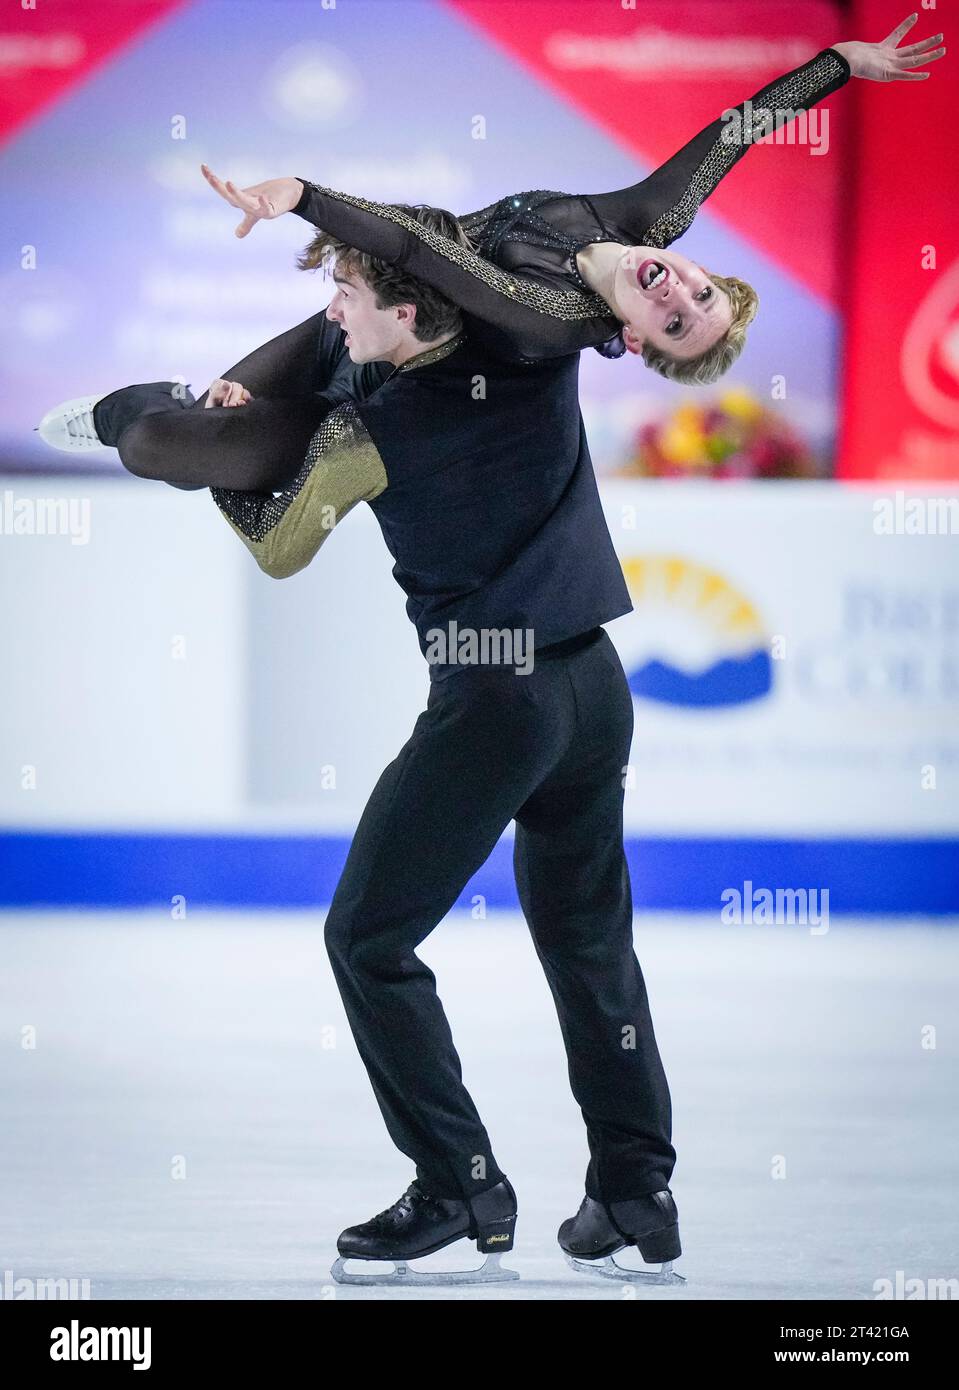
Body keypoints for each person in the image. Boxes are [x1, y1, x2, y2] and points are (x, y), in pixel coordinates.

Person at [49, 208, 684, 1289]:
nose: (328, 309)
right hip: (593, 687)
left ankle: (458, 1182)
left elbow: (280, 546)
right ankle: (635, 1192)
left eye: (345, 294)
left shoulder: (370, 428)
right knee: (587, 941)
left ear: (400, 313)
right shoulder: (526, 358)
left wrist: (228, 467)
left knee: (367, 937)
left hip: (497, 700)